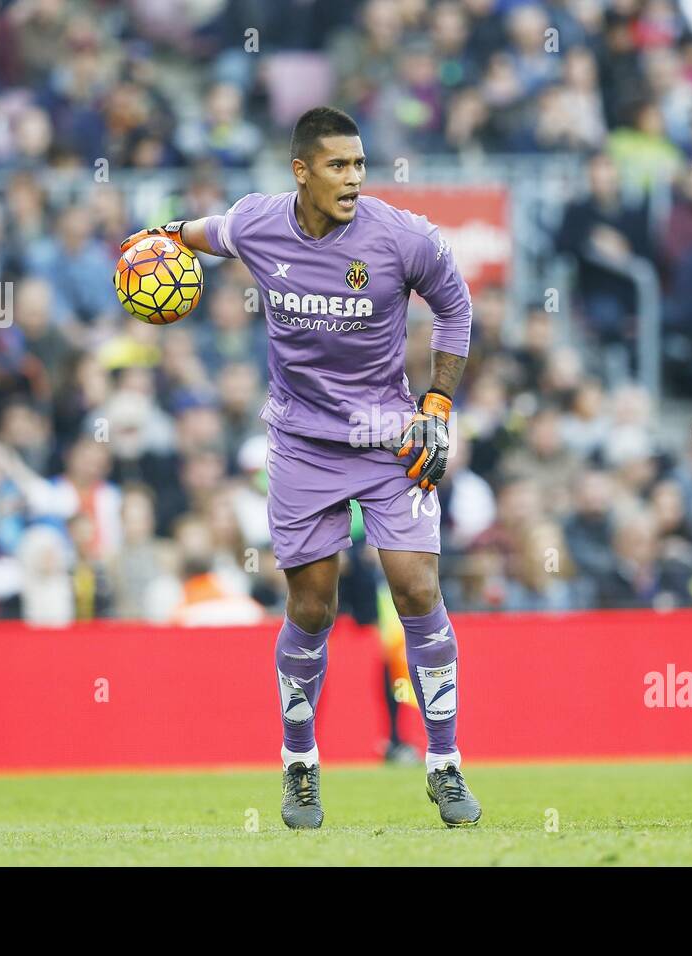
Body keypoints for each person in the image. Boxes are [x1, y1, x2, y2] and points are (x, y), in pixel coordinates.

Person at [120, 107, 479, 829]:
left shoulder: (401, 236)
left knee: (415, 585)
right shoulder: (256, 223)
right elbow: (197, 233)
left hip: (388, 437)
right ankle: (301, 766)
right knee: (313, 606)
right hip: (303, 445)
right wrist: (150, 242)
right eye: (338, 166)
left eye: (359, 164)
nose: (353, 178)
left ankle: (444, 764)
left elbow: (456, 306)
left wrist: (437, 402)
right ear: (301, 171)